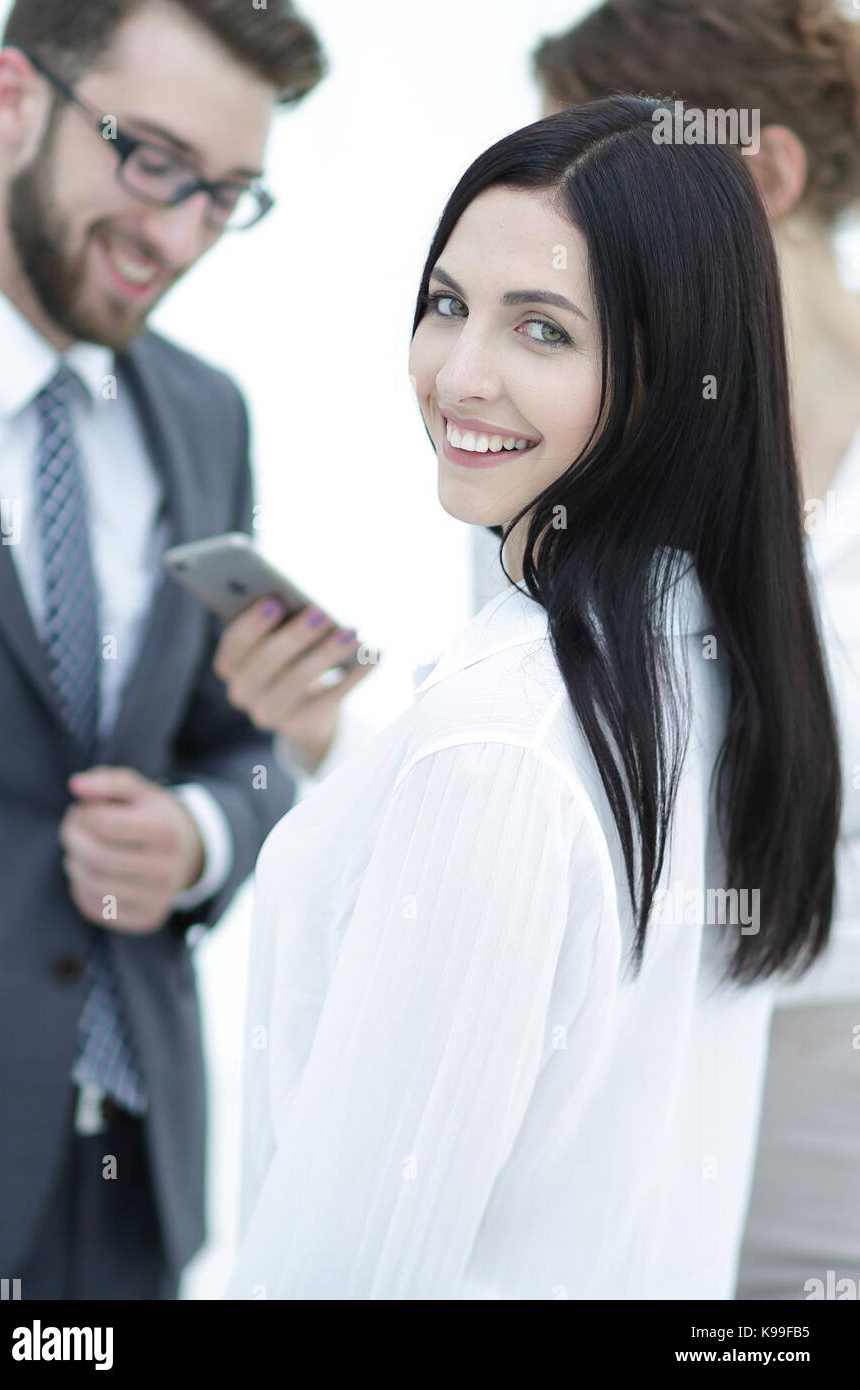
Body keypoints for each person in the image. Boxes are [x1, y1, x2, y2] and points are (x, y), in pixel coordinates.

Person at [223, 94, 841, 1300]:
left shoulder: (495, 749)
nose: (458, 374)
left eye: (541, 331)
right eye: (447, 305)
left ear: (674, 377)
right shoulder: (719, 665)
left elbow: (346, 1279)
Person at [0, 0, 370, 1301]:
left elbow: (241, 748)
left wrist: (200, 831)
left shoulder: (202, 413)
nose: (182, 233)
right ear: (14, 95)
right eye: (151, 162)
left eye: (228, 196)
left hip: (127, 1182)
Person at [534, 0, 860, 1301]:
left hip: (816, 1127)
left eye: (602, 186)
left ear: (761, 176)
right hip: (609, 1114)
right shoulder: (582, 454)